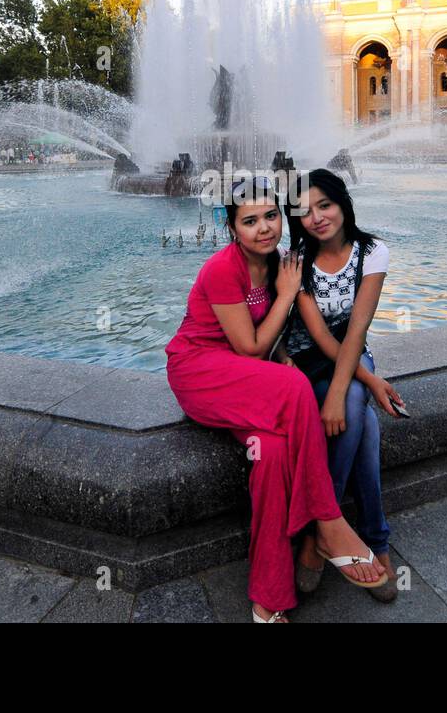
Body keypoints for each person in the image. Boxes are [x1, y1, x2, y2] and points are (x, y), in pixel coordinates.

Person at [165, 176, 385, 623]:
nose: (264, 228)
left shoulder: (284, 262)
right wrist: (286, 297)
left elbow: (277, 338)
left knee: (273, 453)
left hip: (250, 380)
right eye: (250, 221)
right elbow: (247, 346)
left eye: (271, 216)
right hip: (201, 371)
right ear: (232, 228)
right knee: (297, 387)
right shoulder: (222, 269)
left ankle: (269, 597)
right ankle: (327, 522)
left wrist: (283, 357)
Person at [285, 168, 405, 601]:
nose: (317, 217)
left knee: (352, 403)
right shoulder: (294, 262)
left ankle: (320, 536)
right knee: (363, 419)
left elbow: (356, 330)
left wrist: (353, 385)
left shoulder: (372, 252)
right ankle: (375, 542)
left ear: (342, 203)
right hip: (308, 360)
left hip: (352, 352)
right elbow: (317, 335)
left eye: (325, 205)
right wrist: (368, 383)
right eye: (305, 211)